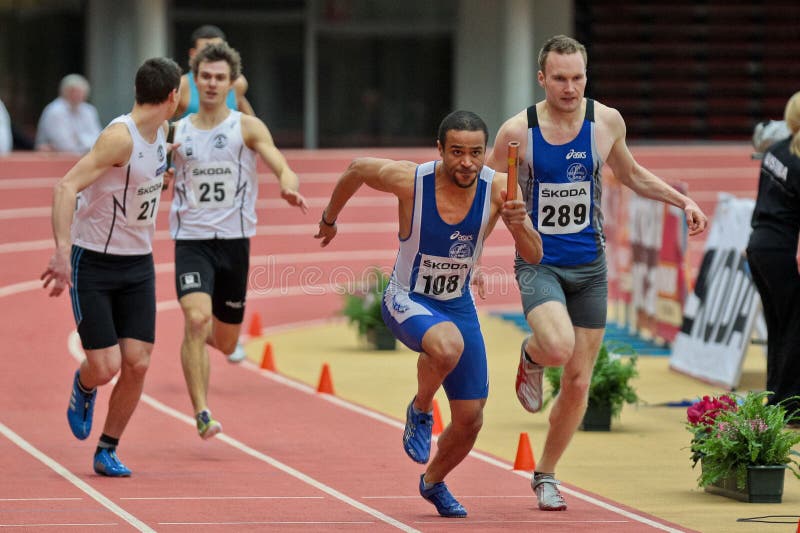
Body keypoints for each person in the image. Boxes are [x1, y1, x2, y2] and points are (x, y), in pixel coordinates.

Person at [486, 35, 708, 511]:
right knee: (558, 346)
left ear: (586, 77)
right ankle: (531, 355)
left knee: (579, 382)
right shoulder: (516, 132)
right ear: (541, 78)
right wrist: (470, 258)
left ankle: (545, 473)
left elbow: (630, 174)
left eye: (578, 78)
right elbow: (490, 195)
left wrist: (681, 200)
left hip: (589, 266)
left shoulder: (604, 121)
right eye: (560, 78)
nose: (569, 88)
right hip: (539, 262)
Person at [315, 110, 543, 517]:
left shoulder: (502, 190)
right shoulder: (411, 180)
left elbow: (535, 254)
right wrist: (330, 218)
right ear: (439, 150)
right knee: (447, 344)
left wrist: (518, 224)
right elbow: (356, 169)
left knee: (471, 420)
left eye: (475, 153)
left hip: (457, 302)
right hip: (407, 299)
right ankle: (420, 409)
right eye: (456, 152)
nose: (467, 163)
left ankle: (433, 482)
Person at [40, 57, 182, 477]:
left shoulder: (163, 132)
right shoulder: (119, 138)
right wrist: (62, 251)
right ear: (171, 96)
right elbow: (66, 185)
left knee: (137, 363)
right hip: (95, 263)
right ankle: (84, 385)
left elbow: (149, 175)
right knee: (105, 367)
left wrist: (164, 176)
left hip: (138, 263)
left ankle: (108, 448)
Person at [169, 42, 308, 439]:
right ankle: (201, 412)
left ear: (232, 83)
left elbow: (280, 163)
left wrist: (287, 185)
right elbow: (152, 168)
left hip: (234, 243)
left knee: (226, 339)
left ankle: (199, 340)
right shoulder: (177, 131)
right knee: (196, 320)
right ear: (195, 81)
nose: (212, 84)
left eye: (219, 78)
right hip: (191, 241)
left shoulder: (246, 127)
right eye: (206, 77)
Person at [746, 91, 800, 427]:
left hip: (758, 247)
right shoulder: (796, 159)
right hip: (778, 252)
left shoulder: (776, 152)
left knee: (780, 326)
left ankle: (776, 398)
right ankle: (791, 405)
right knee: (794, 327)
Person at [174, 24, 254, 119]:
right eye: (206, 52)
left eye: (218, 51)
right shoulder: (181, 86)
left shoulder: (239, 83)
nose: (213, 57)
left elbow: (252, 122)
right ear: (193, 54)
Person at [35, 74, 103, 154]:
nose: (78, 95)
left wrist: (78, 138)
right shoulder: (54, 111)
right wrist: (86, 142)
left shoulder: (89, 110)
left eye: (81, 92)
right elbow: (64, 145)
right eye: (74, 91)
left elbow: (99, 140)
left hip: (84, 158)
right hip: (55, 161)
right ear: (64, 92)